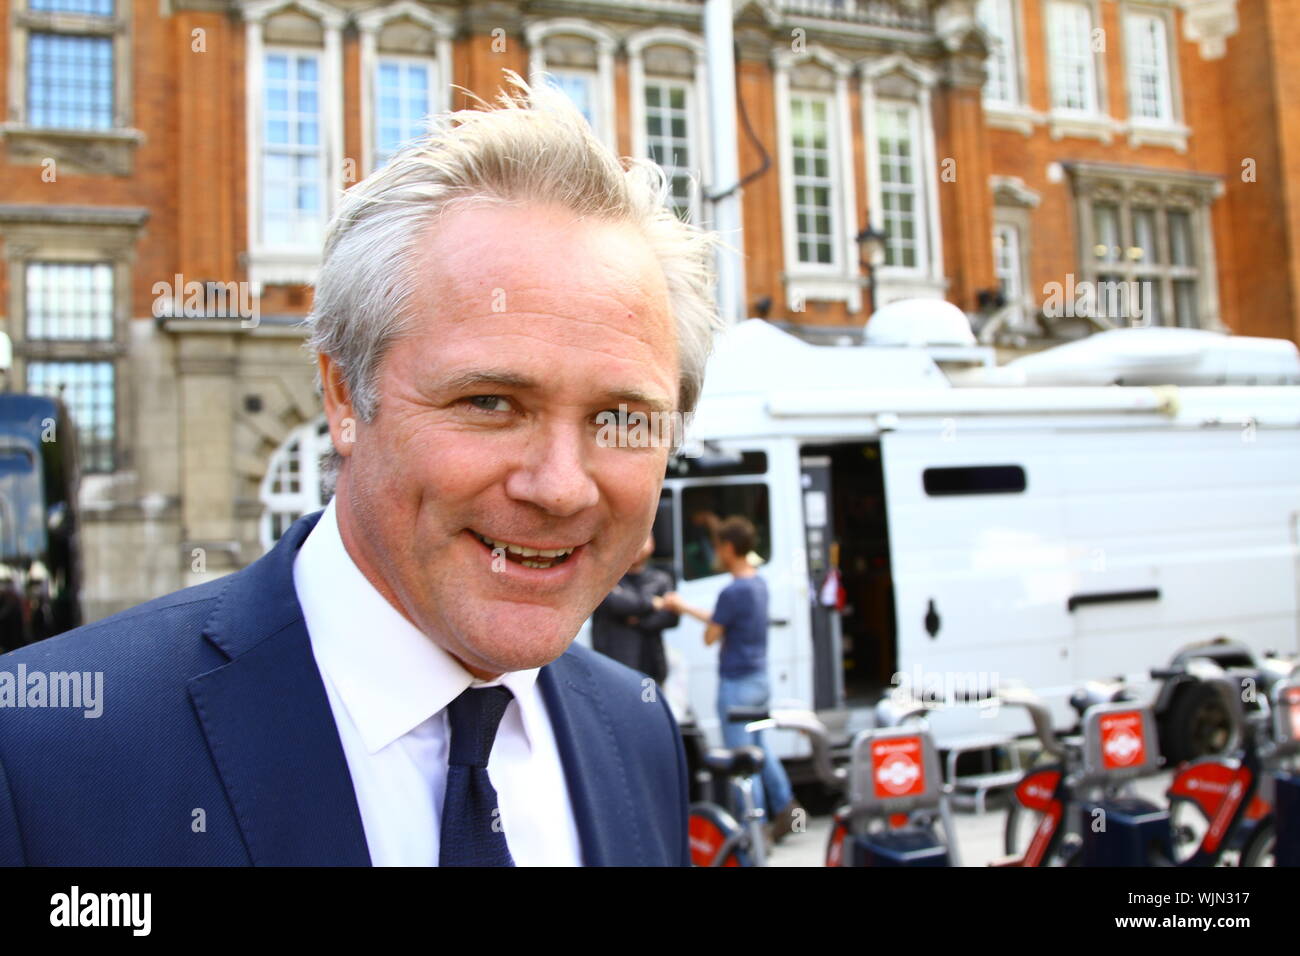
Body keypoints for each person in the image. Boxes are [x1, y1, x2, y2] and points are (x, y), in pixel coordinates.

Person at [0, 72, 726, 866]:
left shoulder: (635, 730)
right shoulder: (47, 753)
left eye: (619, 419)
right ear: (345, 395)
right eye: (490, 402)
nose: (557, 485)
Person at [663, 517, 802, 843]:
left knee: (741, 762)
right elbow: (722, 623)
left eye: (718, 546)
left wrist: (684, 609)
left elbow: (712, 635)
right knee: (760, 750)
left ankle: (756, 830)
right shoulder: (759, 583)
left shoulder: (732, 591)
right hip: (759, 680)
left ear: (728, 549)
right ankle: (787, 808)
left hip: (736, 683)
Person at [591, 533, 679, 685]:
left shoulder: (660, 579)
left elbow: (671, 616)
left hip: (650, 672)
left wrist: (638, 620)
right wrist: (651, 604)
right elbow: (614, 603)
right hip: (611, 670)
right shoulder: (606, 576)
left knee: (650, 705)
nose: (638, 544)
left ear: (653, 544)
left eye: (644, 538)